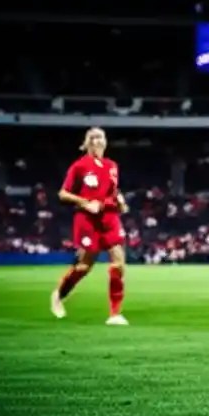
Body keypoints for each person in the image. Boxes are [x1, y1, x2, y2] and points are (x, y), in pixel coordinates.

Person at [51, 127, 131, 325]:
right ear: (86, 143)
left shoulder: (112, 166)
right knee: (85, 266)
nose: (96, 141)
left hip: (110, 218)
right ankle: (59, 295)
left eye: (100, 137)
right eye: (92, 138)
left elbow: (112, 191)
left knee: (119, 263)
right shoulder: (79, 166)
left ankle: (115, 314)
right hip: (87, 219)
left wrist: (120, 202)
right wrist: (85, 202)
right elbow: (63, 194)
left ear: (105, 142)